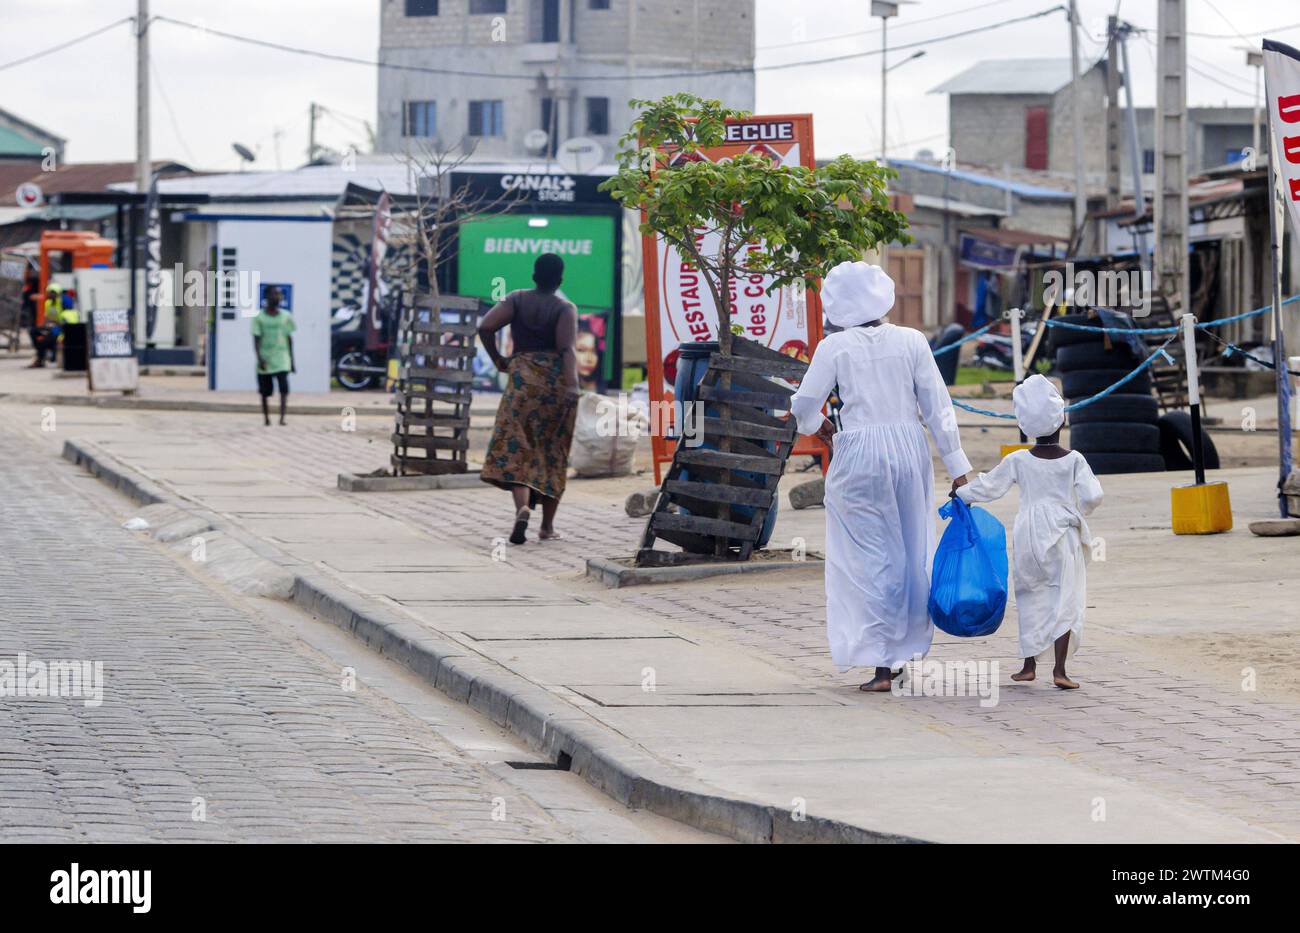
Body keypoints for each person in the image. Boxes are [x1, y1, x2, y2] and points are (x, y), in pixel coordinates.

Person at [790, 261, 972, 693]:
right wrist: (960, 466)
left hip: (859, 455)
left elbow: (803, 406)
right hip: (910, 450)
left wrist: (820, 426)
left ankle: (880, 664)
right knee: (911, 550)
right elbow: (937, 406)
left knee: (866, 556)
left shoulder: (833, 347)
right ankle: (905, 649)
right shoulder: (912, 341)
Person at [955, 374, 1103, 689]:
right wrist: (1080, 512)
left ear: (1025, 426)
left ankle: (1028, 665)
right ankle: (1060, 670)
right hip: (1061, 534)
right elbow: (1092, 496)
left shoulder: (1018, 459)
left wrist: (961, 493)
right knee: (1065, 598)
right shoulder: (1074, 460)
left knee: (1030, 595)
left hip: (1027, 534)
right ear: (1062, 422)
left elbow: (988, 486)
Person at [478, 253, 579, 545]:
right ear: (560, 280)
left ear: (534, 275)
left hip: (522, 382)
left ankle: (522, 508)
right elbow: (567, 350)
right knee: (552, 451)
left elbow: (485, 327)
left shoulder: (516, 299)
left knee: (517, 446)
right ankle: (547, 527)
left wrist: (498, 359)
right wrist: (572, 386)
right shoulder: (564, 308)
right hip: (555, 386)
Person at [251, 287, 296, 426]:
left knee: (284, 388)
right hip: (266, 358)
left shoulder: (286, 316)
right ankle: (266, 418)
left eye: (279, 294)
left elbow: (289, 338)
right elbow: (256, 339)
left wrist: (292, 360)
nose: (278, 297)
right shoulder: (259, 317)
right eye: (274, 294)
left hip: (282, 357)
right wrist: (259, 359)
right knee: (265, 391)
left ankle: (282, 418)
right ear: (267, 297)